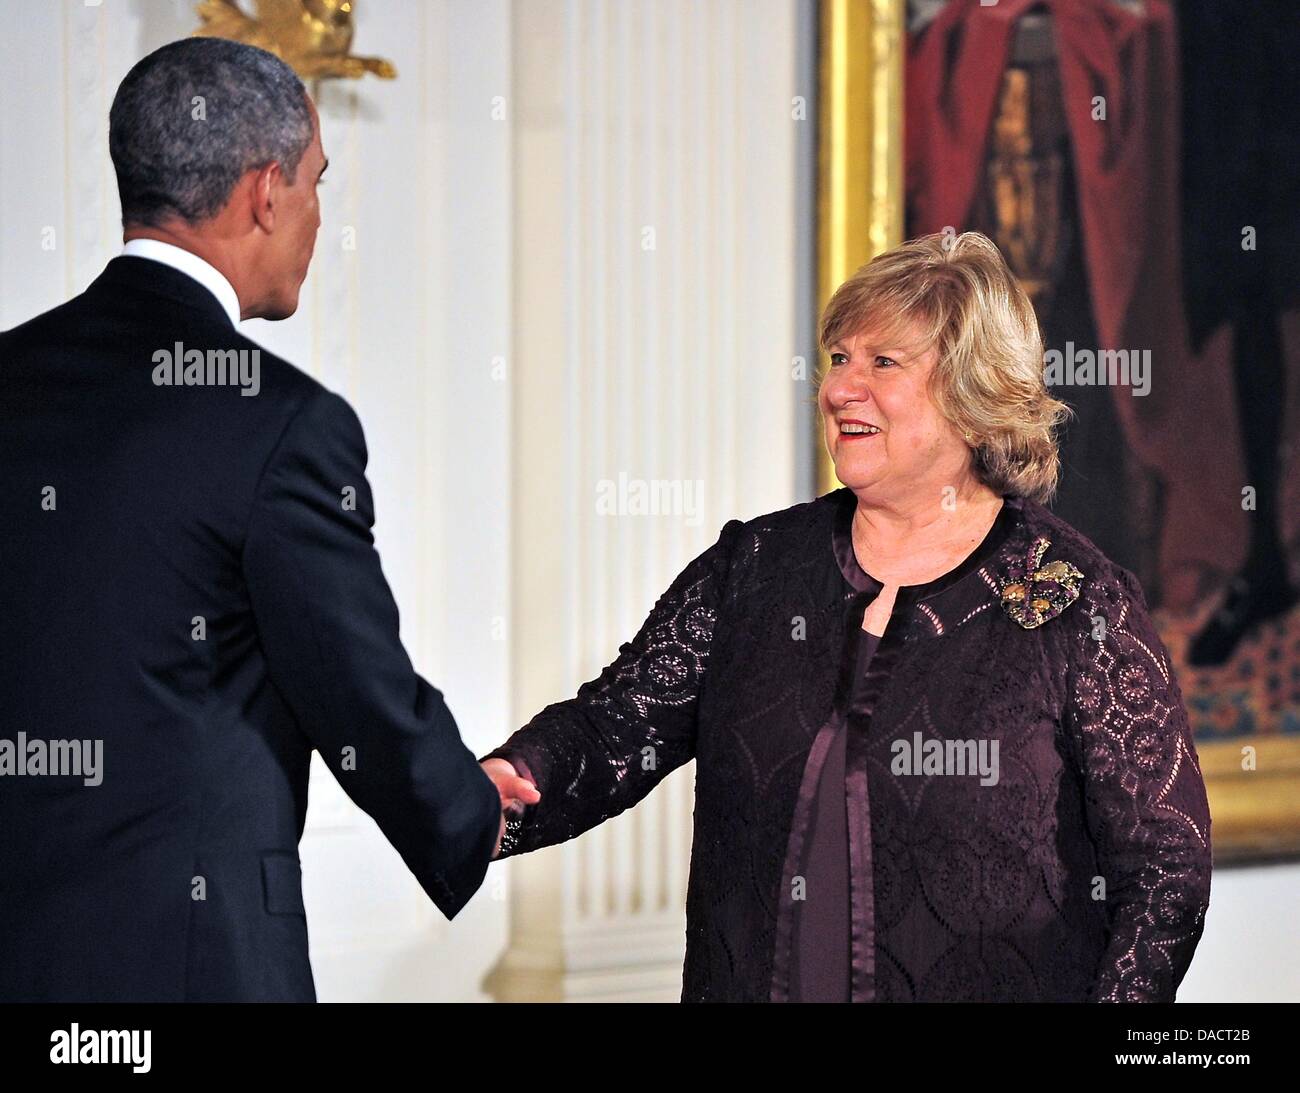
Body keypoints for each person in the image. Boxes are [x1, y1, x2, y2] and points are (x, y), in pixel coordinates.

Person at [482, 231, 1213, 1002]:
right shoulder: (757, 568)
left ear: (975, 392)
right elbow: (615, 727)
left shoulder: (1079, 605)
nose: (839, 388)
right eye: (838, 358)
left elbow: (1167, 867)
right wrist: (492, 789)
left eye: (882, 363)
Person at [0, 38, 506, 1002]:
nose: (317, 216)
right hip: (189, 964)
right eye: (317, 182)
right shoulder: (282, 424)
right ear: (266, 191)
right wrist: (472, 806)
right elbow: (359, 686)